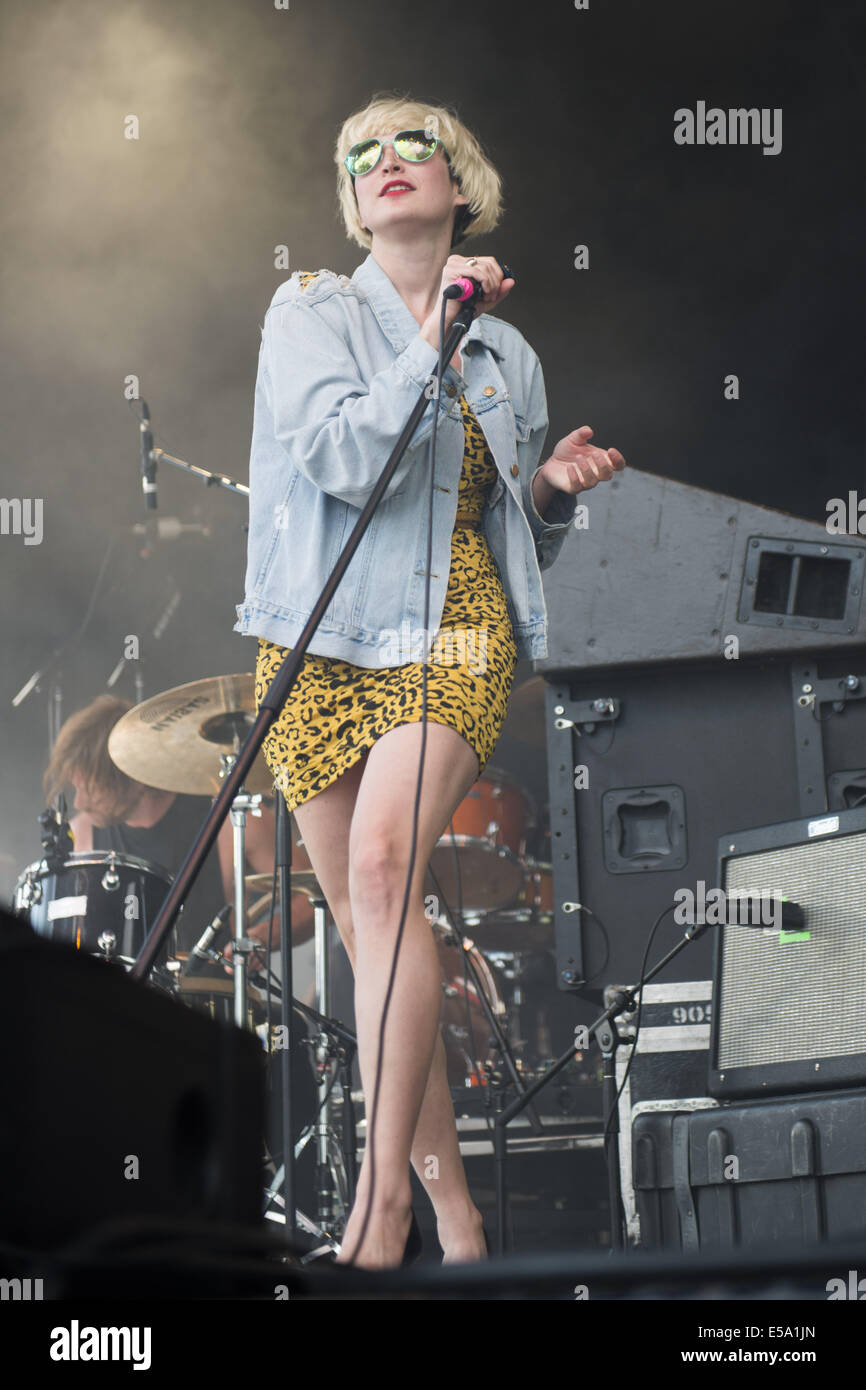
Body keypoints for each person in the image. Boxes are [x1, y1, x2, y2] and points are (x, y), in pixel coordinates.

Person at [234, 93, 625, 1269]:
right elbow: (345, 458)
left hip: (455, 624)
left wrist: (548, 493)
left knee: (382, 866)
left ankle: (377, 1205)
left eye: (416, 145)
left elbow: (517, 532)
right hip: (317, 631)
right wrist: (432, 334)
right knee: (372, 929)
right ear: (352, 202)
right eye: (364, 154)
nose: (388, 161)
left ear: (460, 183)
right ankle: (454, 1220)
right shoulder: (305, 311)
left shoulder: (509, 352)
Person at [41, 694, 297, 961]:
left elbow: (310, 893)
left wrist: (260, 938)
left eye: (91, 789)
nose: (80, 802)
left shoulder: (231, 816)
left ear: (130, 773)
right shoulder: (79, 836)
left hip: (213, 998)